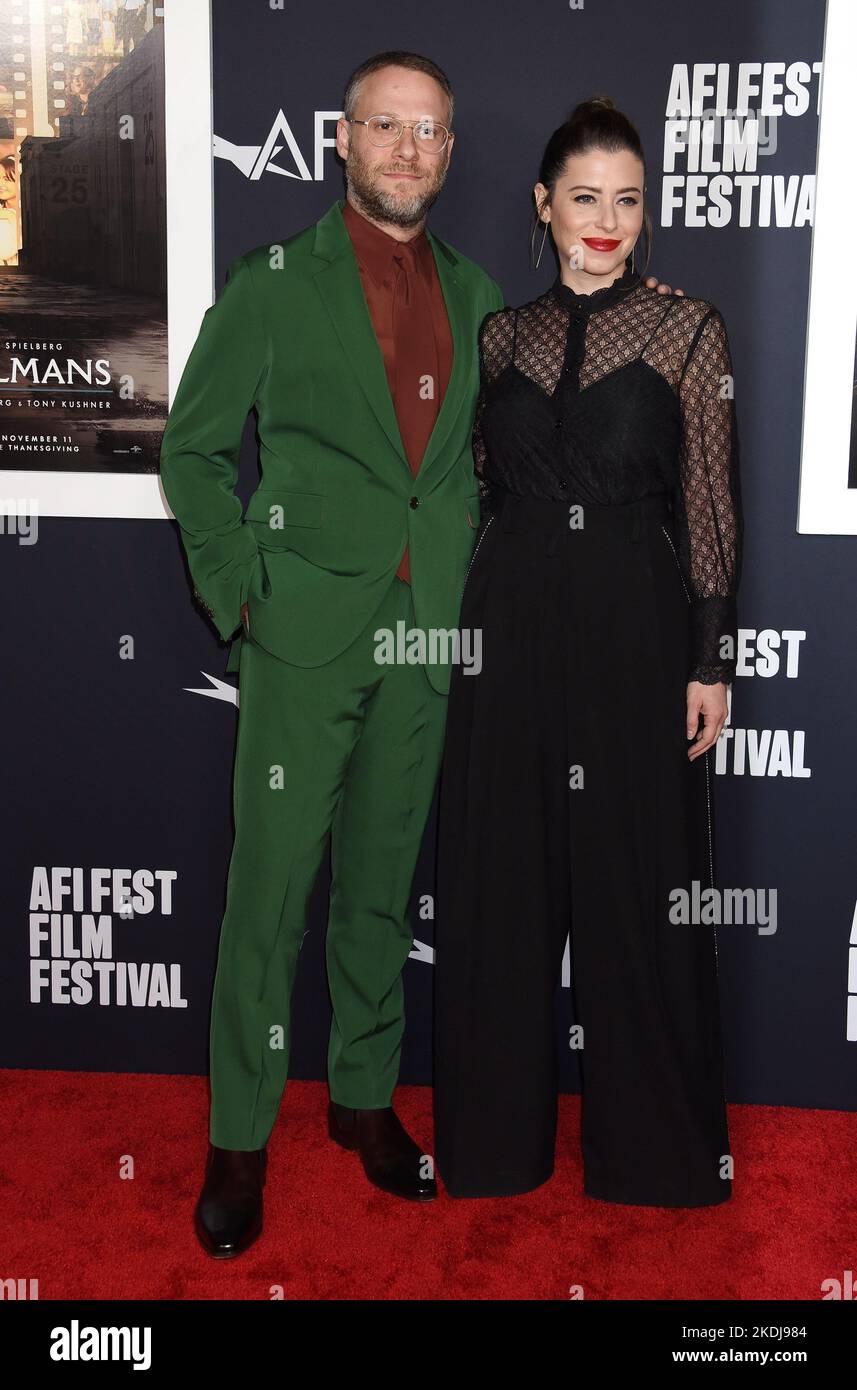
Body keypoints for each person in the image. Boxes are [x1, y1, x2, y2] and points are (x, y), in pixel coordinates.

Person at [160, 55, 678, 1258]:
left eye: (427, 131)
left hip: (425, 636)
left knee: (382, 891)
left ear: (450, 153)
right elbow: (192, 454)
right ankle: (238, 1140)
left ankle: (359, 1100)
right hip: (300, 634)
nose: (406, 149)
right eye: (385, 127)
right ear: (342, 140)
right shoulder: (274, 283)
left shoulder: (482, 294)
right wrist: (241, 594)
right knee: (271, 896)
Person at [433, 97, 743, 1208]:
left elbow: (708, 500)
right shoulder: (498, 335)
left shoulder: (685, 330)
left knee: (639, 885)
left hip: (633, 631)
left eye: (625, 200)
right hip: (506, 630)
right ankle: (491, 1147)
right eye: (582, 198)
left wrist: (708, 660)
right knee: (498, 885)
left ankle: (655, 1157)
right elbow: (470, 487)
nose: (604, 221)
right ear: (542, 205)